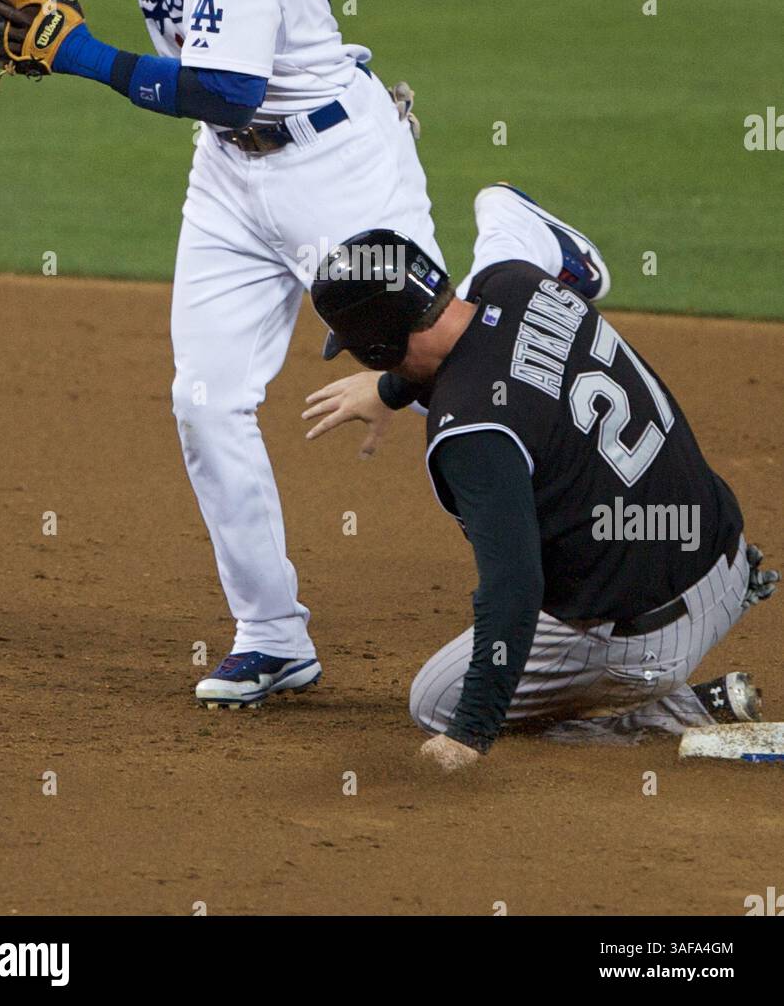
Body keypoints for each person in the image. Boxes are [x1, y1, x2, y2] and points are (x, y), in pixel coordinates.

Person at [0, 0, 443, 708]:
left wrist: (78, 54)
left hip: (336, 169)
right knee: (205, 398)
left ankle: (593, 591)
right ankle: (273, 636)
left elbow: (230, 89)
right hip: (231, 183)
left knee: (433, 368)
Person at [304, 184, 779, 770]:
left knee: (435, 700)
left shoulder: (471, 435)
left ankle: (680, 715)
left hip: (651, 642)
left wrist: (469, 734)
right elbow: (488, 351)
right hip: (725, 557)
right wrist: (391, 388)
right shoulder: (518, 283)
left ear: (377, 345)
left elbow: (515, 587)